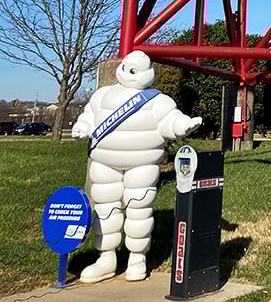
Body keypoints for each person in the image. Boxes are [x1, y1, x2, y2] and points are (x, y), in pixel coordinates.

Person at [72, 51, 202, 282]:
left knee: (138, 210)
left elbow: (171, 120)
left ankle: (137, 257)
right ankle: (106, 257)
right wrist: (82, 127)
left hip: (142, 164)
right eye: (125, 67)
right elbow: (89, 115)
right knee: (105, 209)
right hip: (104, 162)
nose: (126, 72)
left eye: (133, 69)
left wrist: (184, 125)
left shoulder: (157, 101)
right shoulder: (102, 95)